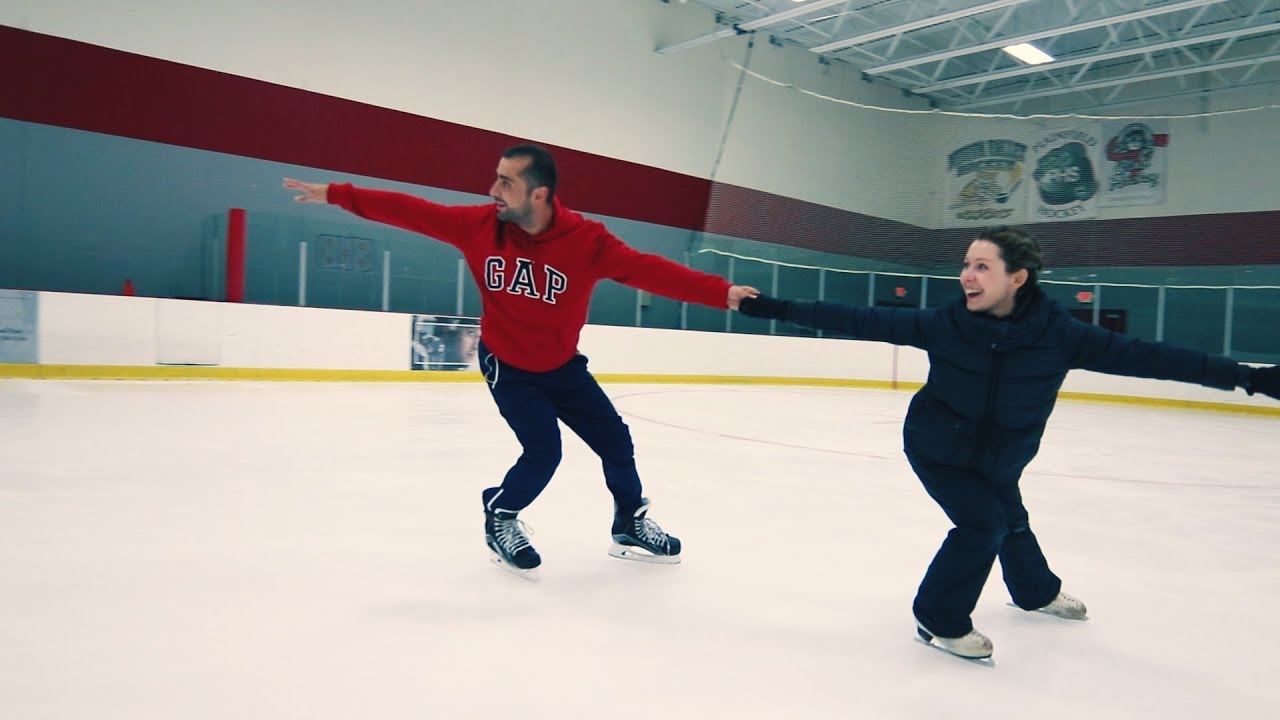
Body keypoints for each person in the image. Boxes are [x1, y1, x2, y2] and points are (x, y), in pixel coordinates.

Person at [736, 225, 1280, 660]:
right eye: (966, 264)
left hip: (1003, 454)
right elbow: (854, 317)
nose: (967, 276)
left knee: (1009, 517)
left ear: (1017, 277)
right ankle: (939, 618)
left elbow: (1152, 358)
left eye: (982, 266)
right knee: (984, 523)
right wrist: (773, 308)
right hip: (938, 447)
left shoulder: (1062, 336)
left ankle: (1035, 591)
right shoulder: (944, 324)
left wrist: (1248, 376)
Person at [285, 144, 758, 580]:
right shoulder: (479, 226)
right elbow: (414, 212)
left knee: (616, 440)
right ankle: (501, 516)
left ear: (540, 194)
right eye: (496, 179)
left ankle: (628, 523)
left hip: (562, 367)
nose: (493, 191)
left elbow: (652, 271)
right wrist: (338, 194)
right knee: (543, 452)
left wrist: (722, 294)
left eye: (505, 182)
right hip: (508, 367)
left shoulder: (587, 241)